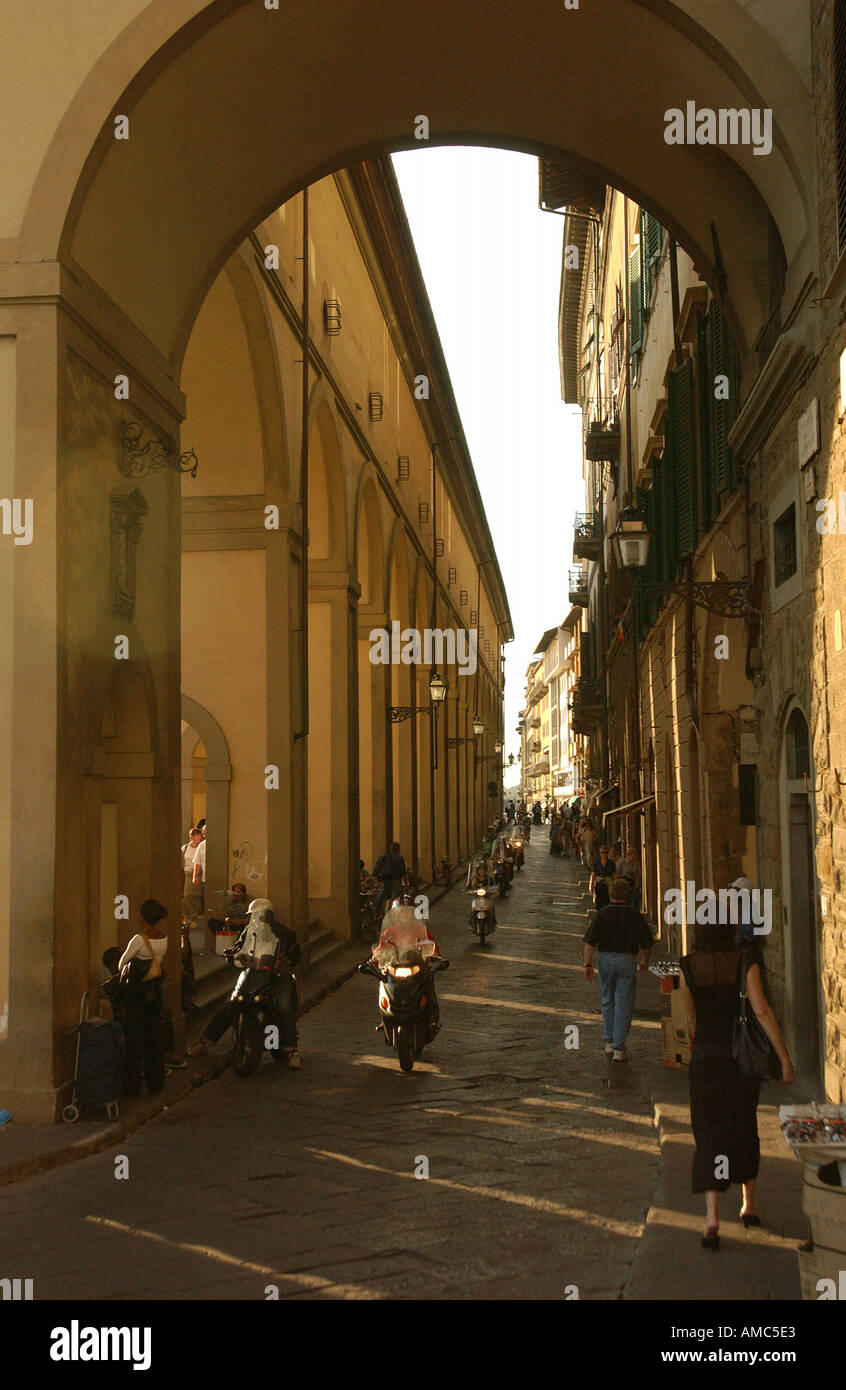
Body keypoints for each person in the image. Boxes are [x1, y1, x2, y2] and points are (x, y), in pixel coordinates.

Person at [678, 924, 794, 1249]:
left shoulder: (687, 966)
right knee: (744, 1126)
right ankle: (748, 1205)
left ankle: (712, 1215)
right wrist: (784, 1059)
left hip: (705, 1059)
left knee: (708, 1132)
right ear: (729, 934)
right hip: (739, 1061)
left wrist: (698, 1048)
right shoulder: (745, 962)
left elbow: (693, 1022)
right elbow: (761, 1010)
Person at [188, 899, 302, 1066]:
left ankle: (292, 1050)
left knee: (283, 1005)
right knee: (231, 1003)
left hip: (277, 976)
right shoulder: (248, 931)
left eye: (260, 915)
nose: (256, 918)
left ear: (270, 916)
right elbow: (238, 948)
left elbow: (295, 953)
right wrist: (232, 954)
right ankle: (205, 1041)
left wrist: (285, 962)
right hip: (253, 973)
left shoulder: (284, 933)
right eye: (254, 915)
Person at [583, 878, 654, 1062]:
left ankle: (609, 1041)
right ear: (627, 894)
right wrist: (645, 961)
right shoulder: (634, 915)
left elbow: (590, 942)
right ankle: (619, 1048)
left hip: (606, 959)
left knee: (607, 1000)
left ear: (610, 895)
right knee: (624, 1003)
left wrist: (588, 964)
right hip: (626, 960)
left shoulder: (603, 914)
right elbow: (647, 943)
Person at [118, 900, 169, 1095]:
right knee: (154, 1038)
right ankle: (155, 1082)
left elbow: (122, 964)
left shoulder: (139, 939)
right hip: (155, 991)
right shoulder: (164, 937)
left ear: (142, 917)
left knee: (135, 1039)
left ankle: (132, 1086)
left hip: (137, 994)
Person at [372, 842, 407, 912]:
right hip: (396, 881)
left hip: (385, 880)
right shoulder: (399, 858)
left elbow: (376, 870)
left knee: (381, 895)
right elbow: (403, 872)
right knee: (394, 898)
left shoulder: (383, 857)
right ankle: (389, 913)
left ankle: (374, 910)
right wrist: (406, 883)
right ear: (398, 849)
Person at [181, 827, 204, 925]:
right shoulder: (185, 848)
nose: (200, 837)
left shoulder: (201, 847)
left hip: (197, 873)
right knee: (186, 895)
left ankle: (194, 915)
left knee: (196, 895)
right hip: (187, 873)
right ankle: (186, 914)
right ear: (192, 837)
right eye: (198, 835)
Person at [589, 843, 616, 908]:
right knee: (598, 901)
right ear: (600, 853)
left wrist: (615, 886)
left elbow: (614, 874)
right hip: (599, 883)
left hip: (608, 884)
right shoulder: (597, 862)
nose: (604, 854)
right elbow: (593, 874)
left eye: (606, 852)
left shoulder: (611, 863)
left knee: (608, 901)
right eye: (602, 852)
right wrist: (591, 885)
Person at [620, 844, 643, 911]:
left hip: (634, 882)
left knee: (634, 899)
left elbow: (639, 874)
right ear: (629, 855)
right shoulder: (623, 863)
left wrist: (638, 884)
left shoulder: (636, 863)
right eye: (632, 855)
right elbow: (619, 873)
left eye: (634, 855)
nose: (634, 856)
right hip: (625, 882)